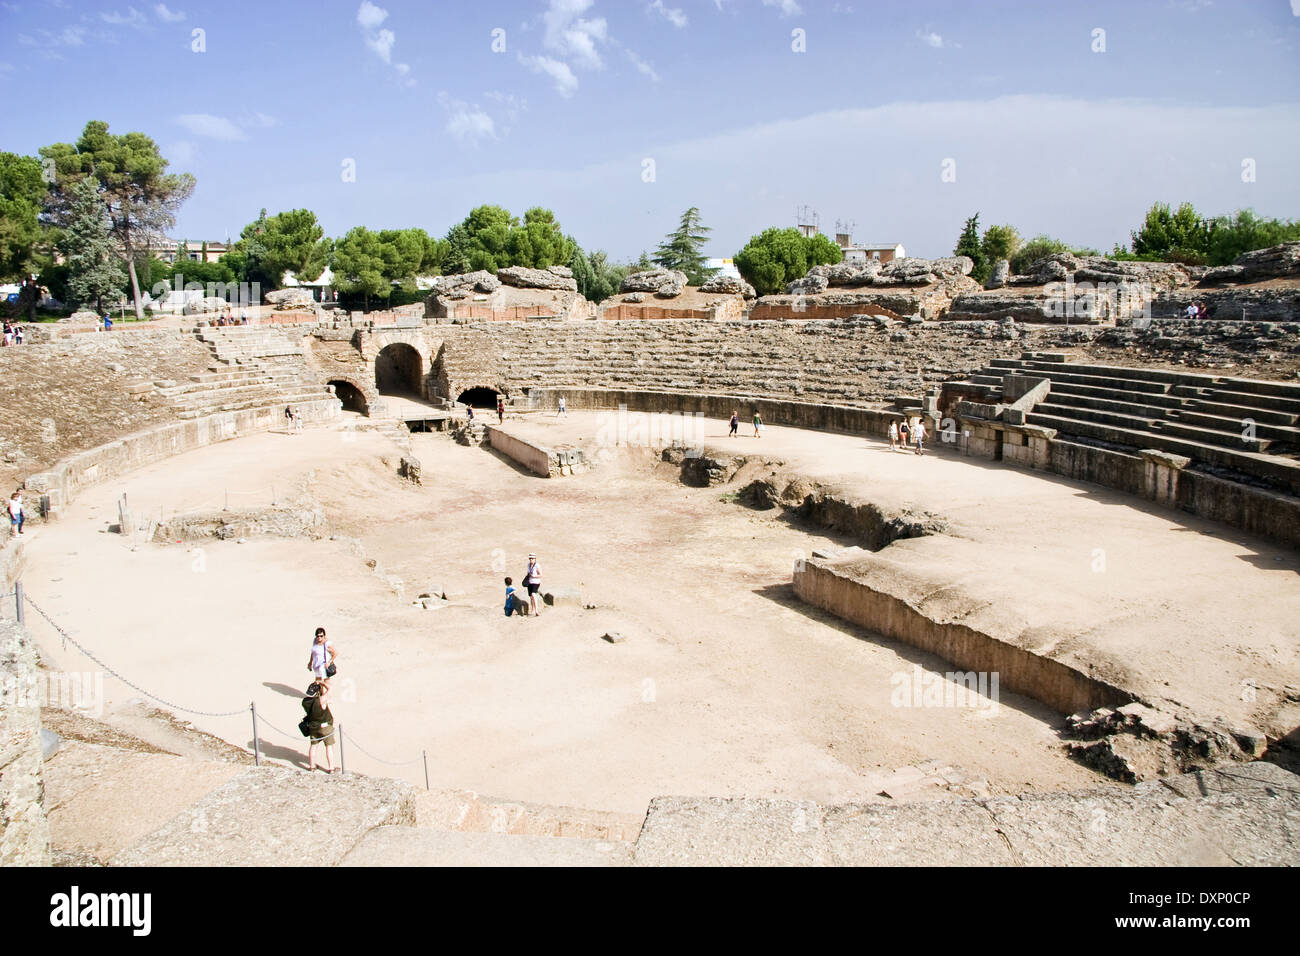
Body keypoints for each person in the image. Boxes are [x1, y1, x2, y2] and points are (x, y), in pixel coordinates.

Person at [304, 679, 338, 773]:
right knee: (329, 747)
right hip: (325, 727)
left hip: (313, 726)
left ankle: (312, 766)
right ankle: (331, 768)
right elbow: (330, 689)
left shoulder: (305, 702)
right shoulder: (320, 701)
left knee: (313, 746)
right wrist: (322, 683)